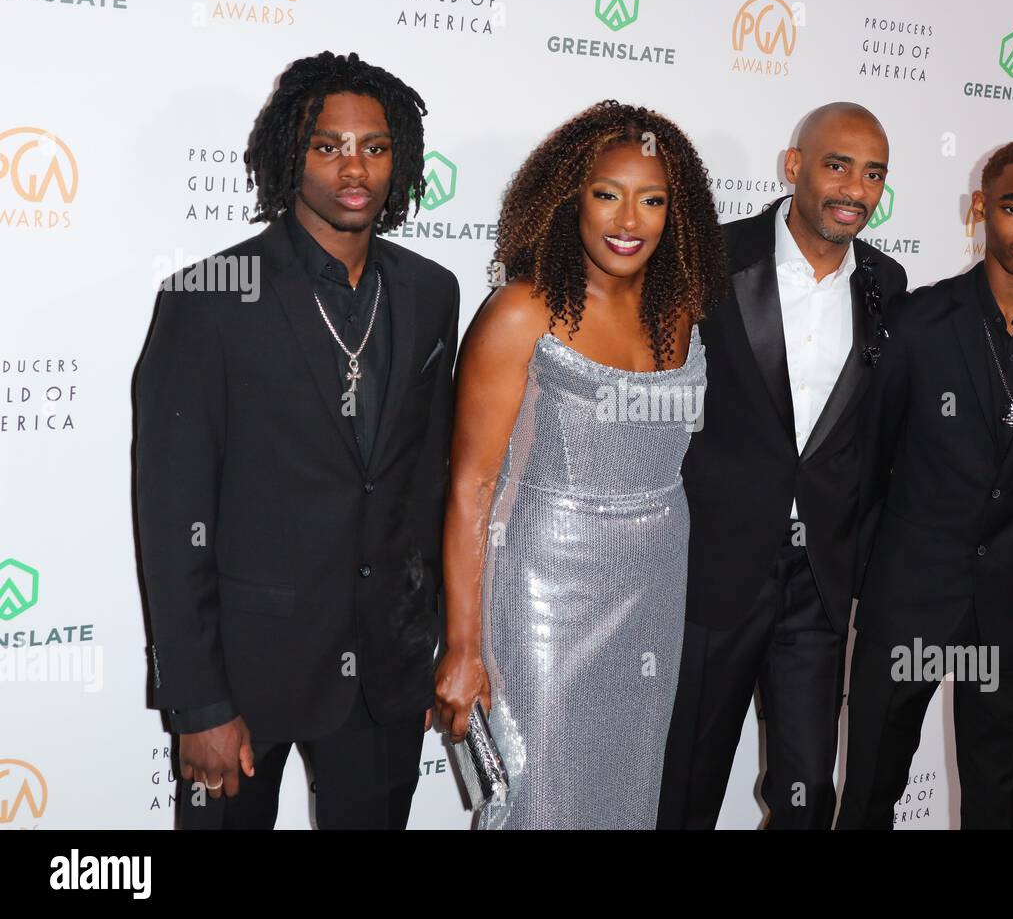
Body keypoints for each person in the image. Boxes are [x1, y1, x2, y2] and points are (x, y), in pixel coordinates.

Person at [134, 51, 460, 829]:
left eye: (376, 148)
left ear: (400, 159)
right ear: (291, 155)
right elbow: (170, 513)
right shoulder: (208, 300)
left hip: (383, 674)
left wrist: (427, 649)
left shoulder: (430, 292)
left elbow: (427, 484)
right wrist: (198, 703)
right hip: (244, 678)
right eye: (328, 146)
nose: (355, 169)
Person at [433, 100, 727, 829]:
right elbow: (471, 486)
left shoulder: (681, 310)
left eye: (652, 200)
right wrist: (464, 646)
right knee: (540, 793)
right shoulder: (521, 313)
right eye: (607, 195)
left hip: (655, 578)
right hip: (546, 585)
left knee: (628, 788)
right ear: (570, 200)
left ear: (676, 212)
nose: (629, 220)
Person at [838, 138, 1013, 829]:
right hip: (907, 599)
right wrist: (880, 578)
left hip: (1012, 608)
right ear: (980, 208)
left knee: (996, 800)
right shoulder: (917, 322)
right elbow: (871, 461)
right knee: (870, 789)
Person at [656, 102, 908, 830]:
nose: (855, 189)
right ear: (794, 166)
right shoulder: (709, 257)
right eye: (838, 165)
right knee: (686, 783)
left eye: (873, 174)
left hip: (819, 581)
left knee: (807, 793)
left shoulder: (886, 285)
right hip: (713, 566)